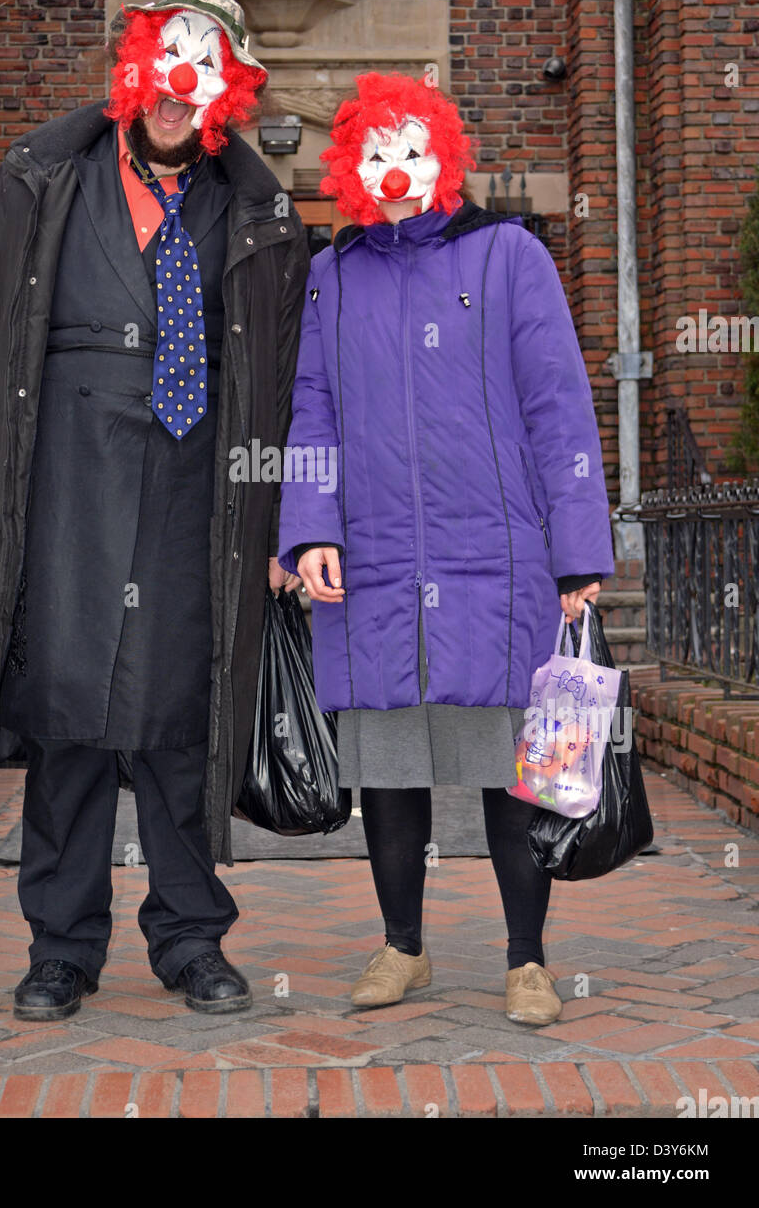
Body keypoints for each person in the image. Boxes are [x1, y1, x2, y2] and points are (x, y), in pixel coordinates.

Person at [0, 0, 307, 1022]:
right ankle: (60, 948)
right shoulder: (40, 178)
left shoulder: (259, 211)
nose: (176, 91)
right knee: (71, 711)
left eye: (201, 73)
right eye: (164, 65)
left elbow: (293, 379)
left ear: (228, 94)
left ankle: (190, 937)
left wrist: (285, 517)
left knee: (178, 710)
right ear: (132, 68)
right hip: (64, 466)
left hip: (193, 484)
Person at [276, 72, 614, 1025]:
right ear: (352, 170)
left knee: (513, 761)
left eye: (412, 152)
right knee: (386, 761)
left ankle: (526, 960)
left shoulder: (510, 256)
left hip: (494, 559)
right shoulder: (332, 274)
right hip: (375, 560)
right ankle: (404, 949)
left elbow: (558, 405)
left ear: (445, 162)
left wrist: (575, 553)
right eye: (376, 155)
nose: (396, 171)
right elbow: (313, 408)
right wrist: (309, 528)